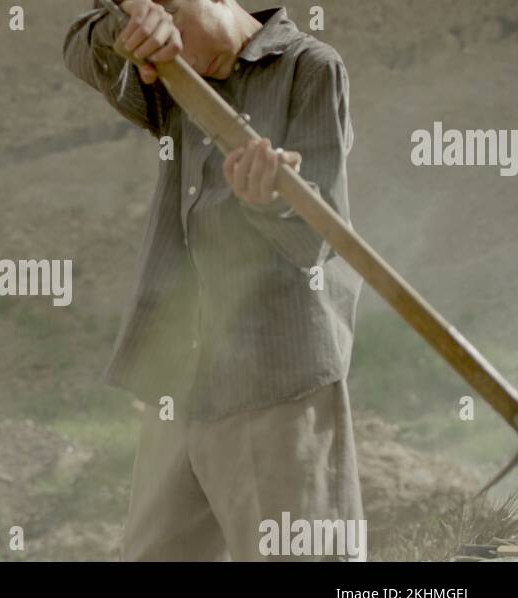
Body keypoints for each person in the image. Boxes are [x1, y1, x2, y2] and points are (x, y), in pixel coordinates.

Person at [64, 0, 363, 560]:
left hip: (277, 382)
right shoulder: (170, 76)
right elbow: (79, 49)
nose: (165, 34)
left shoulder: (310, 68)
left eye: (173, 10)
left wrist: (271, 204)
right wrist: (126, 31)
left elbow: (315, 243)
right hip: (182, 379)